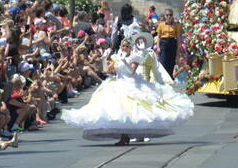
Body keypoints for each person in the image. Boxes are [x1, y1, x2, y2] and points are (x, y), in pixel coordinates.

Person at [62, 39, 193, 144]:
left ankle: (128, 135)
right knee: (117, 109)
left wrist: (125, 61)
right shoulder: (117, 58)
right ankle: (124, 136)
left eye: (126, 46)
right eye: (123, 46)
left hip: (132, 83)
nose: (124, 48)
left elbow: (132, 71)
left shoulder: (134, 58)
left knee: (132, 109)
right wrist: (103, 60)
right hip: (118, 83)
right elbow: (107, 71)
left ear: (130, 48)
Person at [156, 11, 181, 78]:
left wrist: (178, 48)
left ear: (172, 16)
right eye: (167, 15)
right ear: (165, 16)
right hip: (164, 42)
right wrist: (158, 46)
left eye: (170, 15)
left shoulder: (176, 25)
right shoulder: (161, 25)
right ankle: (162, 77)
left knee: (171, 61)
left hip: (172, 42)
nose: (169, 16)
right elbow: (158, 36)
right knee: (163, 60)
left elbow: (178, 37)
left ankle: (170, 78)